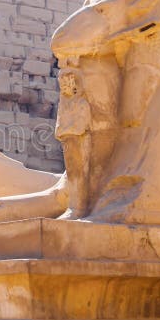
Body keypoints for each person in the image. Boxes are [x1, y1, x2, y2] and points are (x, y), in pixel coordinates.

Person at [55, 68, 92, 218]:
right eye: (61, 84)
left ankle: (79, 207)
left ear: (75, 84)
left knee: (80, 174)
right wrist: (66, 130)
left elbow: (80, 127)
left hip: (80, 144)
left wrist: (66, 129)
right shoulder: (63, 106)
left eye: (66, 83)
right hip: (68, 144)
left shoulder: (82, 103)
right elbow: (58, 129)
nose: (63, 87)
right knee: (72, 175)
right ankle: (74, 205)